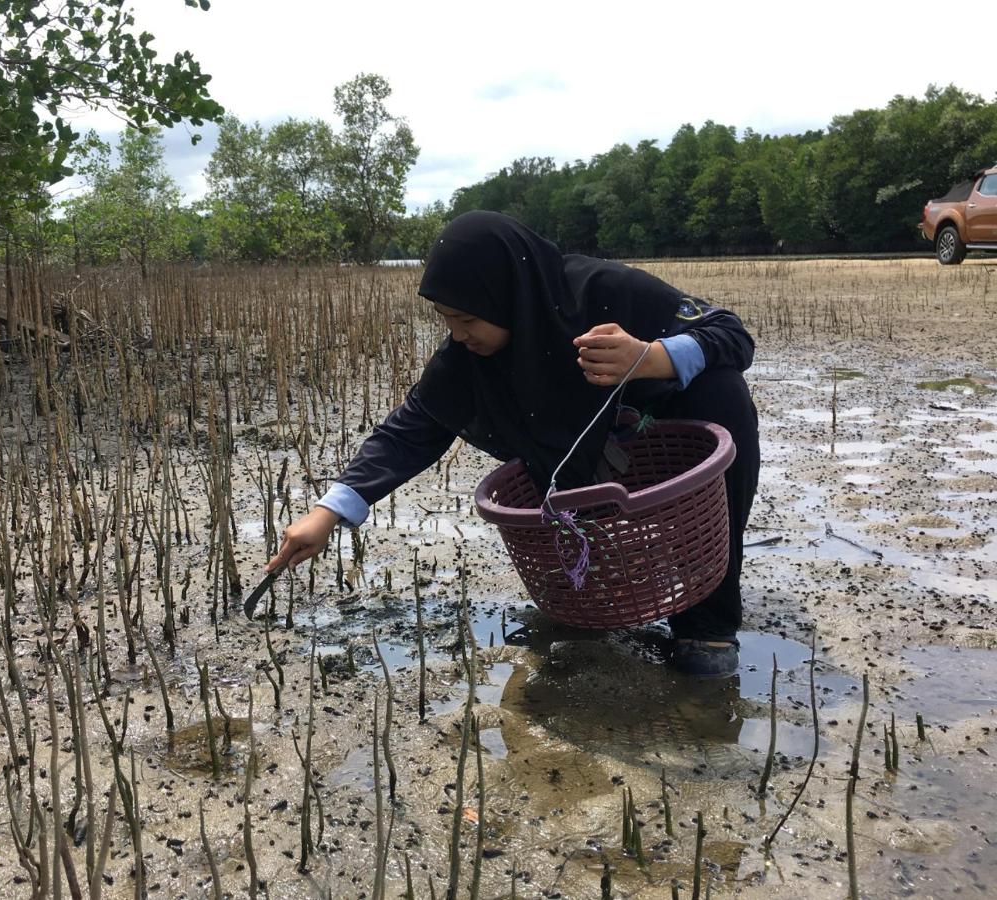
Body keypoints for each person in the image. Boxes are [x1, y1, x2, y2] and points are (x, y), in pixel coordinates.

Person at [266, 211, 759, 677]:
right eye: (446, 319)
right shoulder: (466, 358)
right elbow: (411, 429)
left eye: (467, 319)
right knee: (594, 598)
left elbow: (731, 333)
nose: (457, 335)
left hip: (673, 446)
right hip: (595, 463)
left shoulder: (604, 291)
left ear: (507, 296)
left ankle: (707, 625)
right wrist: (327, 512)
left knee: (722, 387)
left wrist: (652, 357)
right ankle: (602, 590)